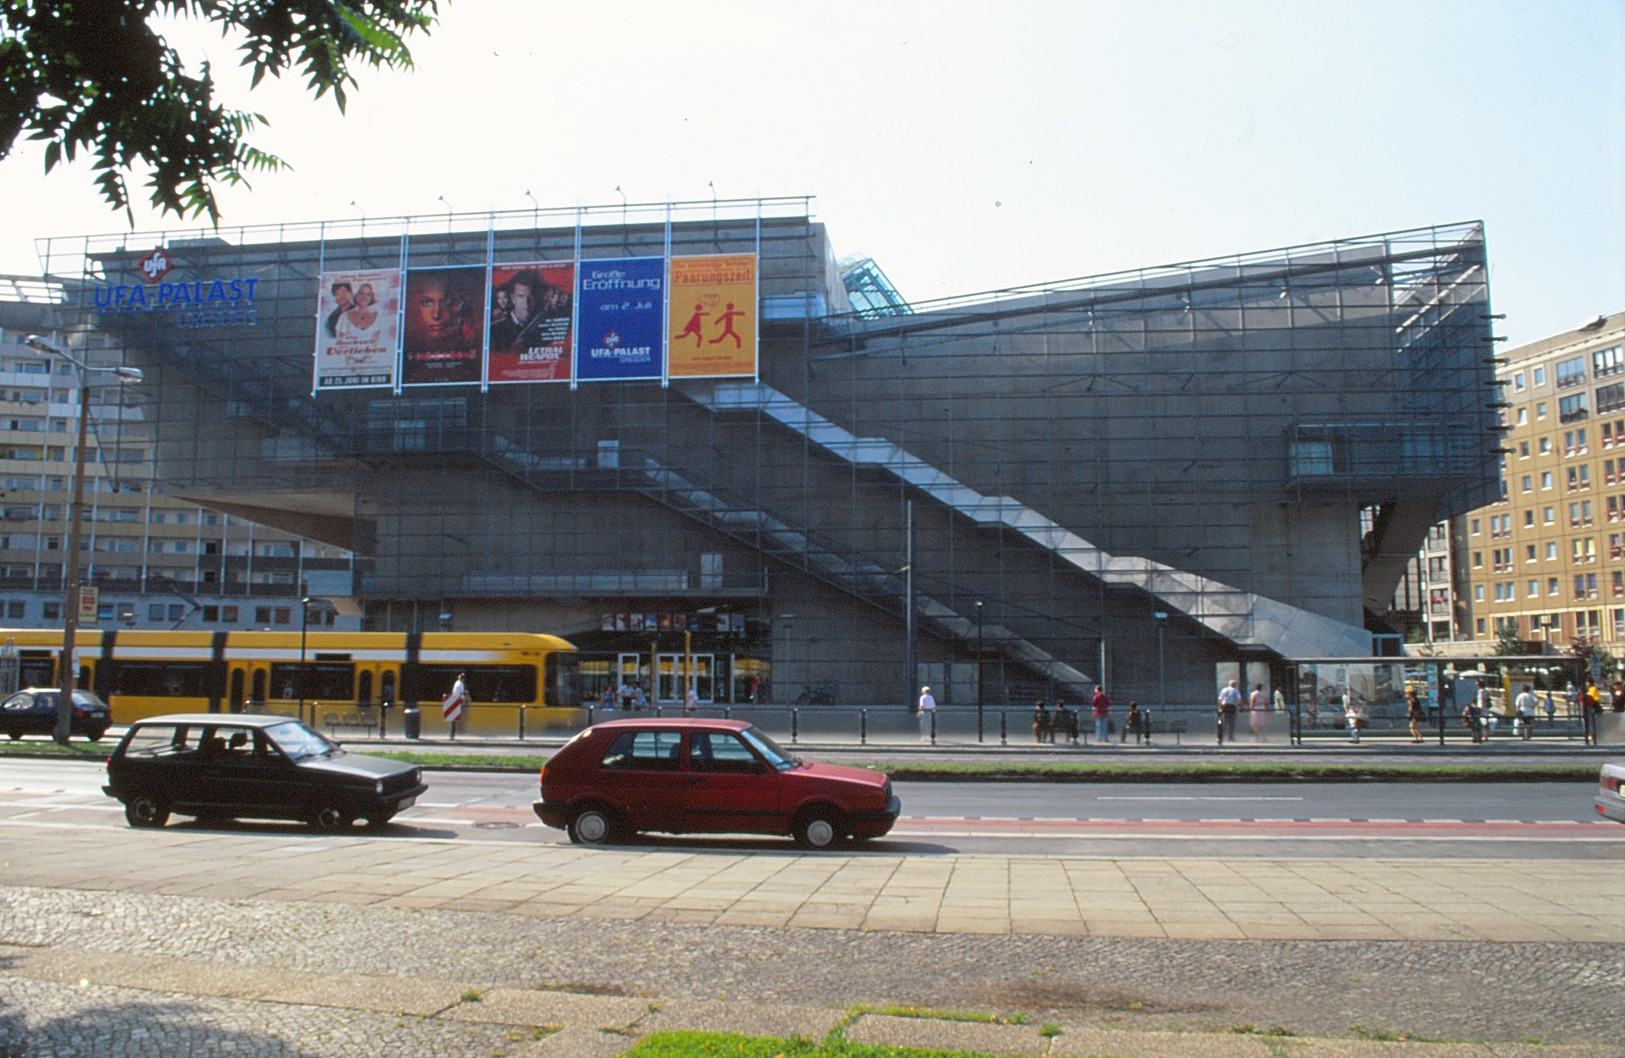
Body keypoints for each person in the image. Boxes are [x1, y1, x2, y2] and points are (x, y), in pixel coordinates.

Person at [1217, 679, 1242, 744]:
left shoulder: (1224, 690)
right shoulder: (1235, 690)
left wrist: (1220, 708)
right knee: (1232, 722)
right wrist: (1240, 706)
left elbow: (1219, 699)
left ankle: (1221, 736)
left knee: (1224, 722)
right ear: (1234, 685)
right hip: (1231, 707)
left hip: (1224, 706)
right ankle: (1230, 737)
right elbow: (1239, 699)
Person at [1583, 679, 1602, 745]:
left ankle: (1592, 736)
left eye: (1587, 682)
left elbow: (1596, 698)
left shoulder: (1593, 689)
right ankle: (1590, 735)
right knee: (1589, 721)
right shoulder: (1588, 689)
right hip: (1588, 707)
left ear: (1589, 683)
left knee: (1591, 721)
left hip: (1591, 707)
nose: (1586, 683)